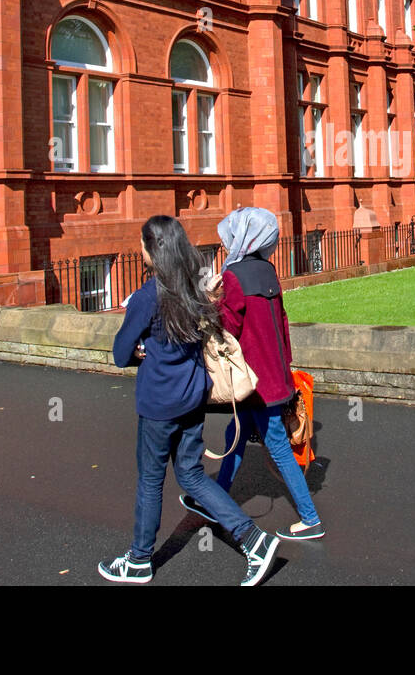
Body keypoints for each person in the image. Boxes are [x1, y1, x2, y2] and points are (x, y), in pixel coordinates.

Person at [98, 215, 280, 586]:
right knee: (192, 475)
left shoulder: (148, 296)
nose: (140, 249)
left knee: (151, 479)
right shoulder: (195, 290)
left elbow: (119, 353)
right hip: (194, 397)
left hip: (160, 404)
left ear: (154, 249)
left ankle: (138, 561)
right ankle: (254, 539)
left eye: (143, 243)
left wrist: (139, 350)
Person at [179, 208, 323, 541]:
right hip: (273, 374)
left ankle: (311, 518)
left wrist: (210, 303)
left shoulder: (235, 275)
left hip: (253, 380)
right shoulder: (267, 271)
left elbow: (229, 326)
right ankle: (216, 501)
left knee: (278, 446)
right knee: (236, 434)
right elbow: (281, 323)